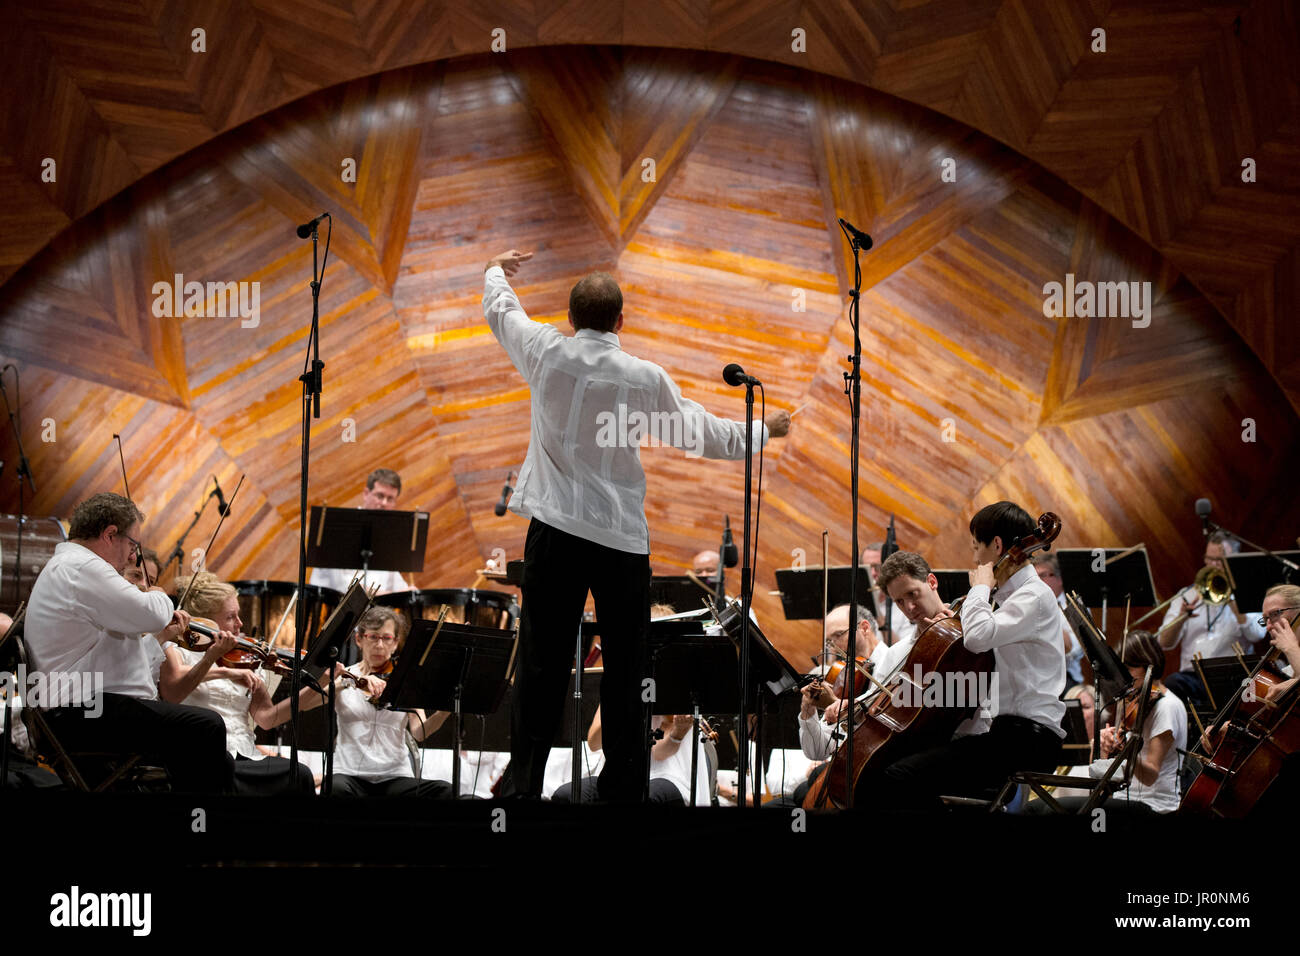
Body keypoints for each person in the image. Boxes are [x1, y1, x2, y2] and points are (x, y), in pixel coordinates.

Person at [483, 249, 790, 801]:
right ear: (621, 321)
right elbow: (703, 434)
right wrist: (764, 430)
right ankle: (623, 792)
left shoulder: (544, 351)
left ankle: (522, 790)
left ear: (571, 318)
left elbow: (501, 313)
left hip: (554, 533)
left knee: (540, 663)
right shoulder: (644, 378)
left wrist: (497, 271)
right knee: (628, 669)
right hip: (620, 540)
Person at [23, 492, 234, 792]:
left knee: (219, 759)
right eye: (133, 545)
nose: (133, 556)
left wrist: (157, 639)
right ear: (110, 535)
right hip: (79, 715)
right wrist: (160, 594)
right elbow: (151, 614)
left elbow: (112, 654)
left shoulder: (73, 568)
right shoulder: (81, 568)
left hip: (81, 710)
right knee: (206, 727)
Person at [870, 502, 1065, 810]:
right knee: (903, 775)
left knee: (901, 777)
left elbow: (978, 638)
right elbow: (977, 639)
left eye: (977, 547)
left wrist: (981, 588)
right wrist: (945, 630)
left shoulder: (1034, 596)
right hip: (1011, 735)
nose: (975, 558)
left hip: (1028, 740)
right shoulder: (1015, 597)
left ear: (997, 545)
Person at [162, 572, 316, 794]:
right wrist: (217, 664)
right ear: (207, 622)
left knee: (299, 775)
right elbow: (173, 690)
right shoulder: (177, 652)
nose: (240, 624)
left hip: (245, 754)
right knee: (223, 775)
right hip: (203, 757)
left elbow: (267, 718)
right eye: (230, 617)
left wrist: (314, 686)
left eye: (239, 616)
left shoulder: (244, 660)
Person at [1029, 632, 1185, 815]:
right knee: (1034, 807)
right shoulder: (1130, 702)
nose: (1124, 676)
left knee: (1049, 811)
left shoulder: (1167, 706)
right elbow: (1102, 773)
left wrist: (1126, 750)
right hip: (1119, 797)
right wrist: (1102, 749)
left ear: (1148, 665)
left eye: (1129, 668)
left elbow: (1150, 776)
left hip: (1153, 805)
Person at [303, 606, 451, 797]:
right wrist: (351, 681)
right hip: (348, 775)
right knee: (334, 788)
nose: (380, 645)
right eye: (373, 637)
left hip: (395, 776)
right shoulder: (345, 676)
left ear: (396, 643)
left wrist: (445, 711)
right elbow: (306, 704)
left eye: (387, 638)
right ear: (359, 639)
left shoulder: (405, 680)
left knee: (444, 790)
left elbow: (420, 732)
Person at [1158, 530, 1262, 710]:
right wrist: (1181, 618)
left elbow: (1257, 635)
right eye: (1209, 559)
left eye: (1220, 561)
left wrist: (1231, 598)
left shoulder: (1249, 593)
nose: (1213, 565)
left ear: (1234, 561)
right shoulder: (1188, 594)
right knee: (1173, 683)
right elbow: (1164, 642)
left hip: (1234, 678)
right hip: (1194, 678)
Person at [309, 468, 411, 595]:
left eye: (390, 499)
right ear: (366, 493)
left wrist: (409, 592)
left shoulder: (386, 538)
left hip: (374, 611)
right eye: (380, 496)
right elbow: (347, 588)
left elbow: (396, 584)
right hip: (332, 608)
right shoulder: (340, 528)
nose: (384, 503)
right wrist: (386, 594)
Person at [1032, 552, 1084, 688]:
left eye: (1042, 575)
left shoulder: (1075, 606)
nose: (1037, 582)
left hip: (1066, 677)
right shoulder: (1028, 604)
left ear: (1060, 578)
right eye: (1034, 577)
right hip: (1034, 678)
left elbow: (1077, 648)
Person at [862, 543, 917, 647]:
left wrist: (878, 614)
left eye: (877, 567)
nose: (872, 573)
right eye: (867, 568)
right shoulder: (855, 604)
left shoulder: (906, 604)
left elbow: (906, 653)